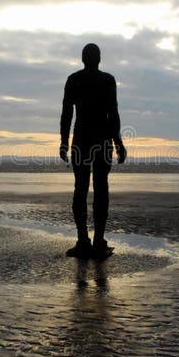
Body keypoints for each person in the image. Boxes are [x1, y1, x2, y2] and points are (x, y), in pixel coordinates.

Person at [60, 43, 126, 258]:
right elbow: (113, 113)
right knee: (99, 189)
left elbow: (66, 115)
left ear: (82, 58)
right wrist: (118, 142)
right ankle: (95, 240)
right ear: (99, 59)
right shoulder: (106, 80)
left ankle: (86, 240)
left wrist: (64, 142)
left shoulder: (75, 80)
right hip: (101, 141)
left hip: (82, 141)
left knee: (81, 189)